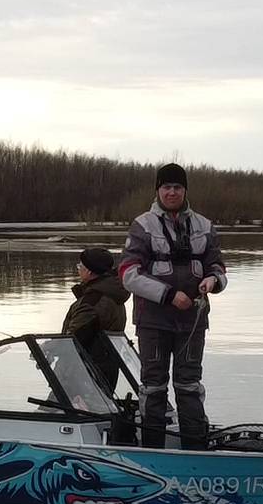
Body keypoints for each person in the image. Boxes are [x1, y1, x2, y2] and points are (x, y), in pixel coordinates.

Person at [118, 163, 226, 449]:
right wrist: (168, 295)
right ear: (158, 190)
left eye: (177, 187)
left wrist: (213, 280)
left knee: (189, 386)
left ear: (185, 191)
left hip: (192, 321)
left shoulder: (205, 226)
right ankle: (153, 450)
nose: (172, 192)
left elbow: (217, 266)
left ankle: (196, 450)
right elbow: (128, 274)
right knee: (153, 387)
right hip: (153, 322)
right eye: (166, 187)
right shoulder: (142, 225)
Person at [62, 245, 129, 393]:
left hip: (84, 372)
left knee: (56, 405)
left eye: (80, 266)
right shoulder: (114, 296)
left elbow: (73, 339)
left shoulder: (93, 301)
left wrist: (49, 347)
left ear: (89, 271)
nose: (78, 269)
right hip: (107, 370)